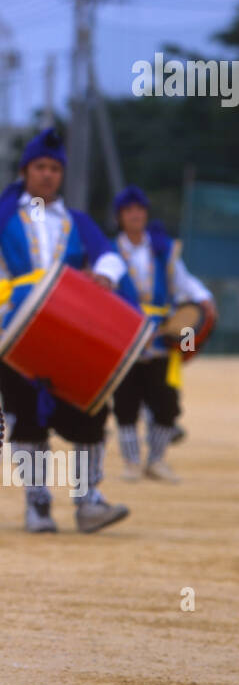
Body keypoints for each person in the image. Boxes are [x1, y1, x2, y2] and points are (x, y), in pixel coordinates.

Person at [0, 128, 131, 534]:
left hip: (71, 334)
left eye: (55, 168)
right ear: (25, 171)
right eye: (41, 167)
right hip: (16, 335)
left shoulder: (78, 221)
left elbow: (110, 258)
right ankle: (38, 505)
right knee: (28, 419)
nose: (48, 175)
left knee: (90, 411)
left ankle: (89, 503)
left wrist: (103, 276)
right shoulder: (0, 219)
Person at [111, 185, 215, 483]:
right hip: (125, 337)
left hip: (160, 338)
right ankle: (132, 462)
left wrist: (203, 298)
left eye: (140, 210)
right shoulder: (110, 250)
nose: (136, 215)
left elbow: (184, 282)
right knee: (125, 403)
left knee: (166, 403)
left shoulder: (162, 249)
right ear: (120, 216)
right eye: (129, 210)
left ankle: (156, 460)